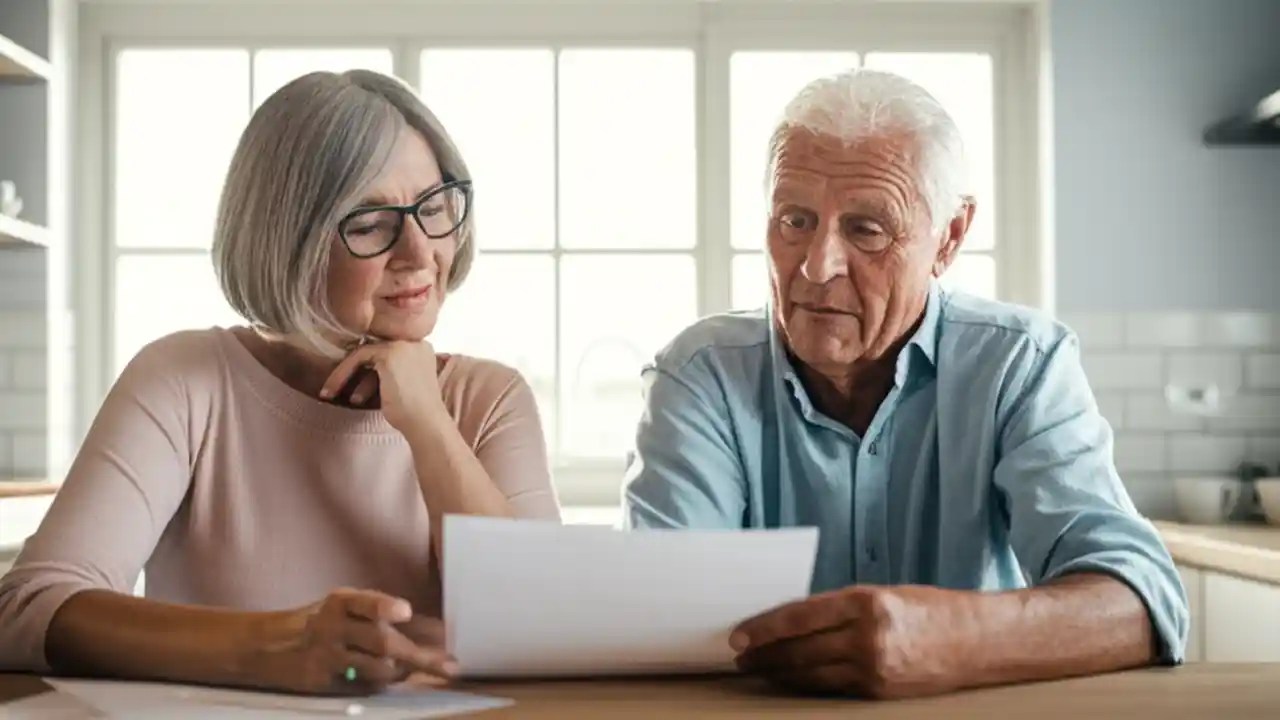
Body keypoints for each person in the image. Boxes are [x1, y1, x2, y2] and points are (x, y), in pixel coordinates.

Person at [622, 69, 1187, 698]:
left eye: (866, 229)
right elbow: (661, 626)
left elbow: (1143, 602)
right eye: (794, 220)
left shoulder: (1020, 364)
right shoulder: (700, 376)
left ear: (949, 237)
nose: (817, 265)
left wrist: (956, 640)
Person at [0, 70, 560, 694]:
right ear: (289, 239)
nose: (420, 250)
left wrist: (427, 423)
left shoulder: (490, 401)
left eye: (433, 208)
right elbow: (27, 606)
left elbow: (545, 626)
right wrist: (274, 646)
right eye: (372, 221)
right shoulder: (186, 382)